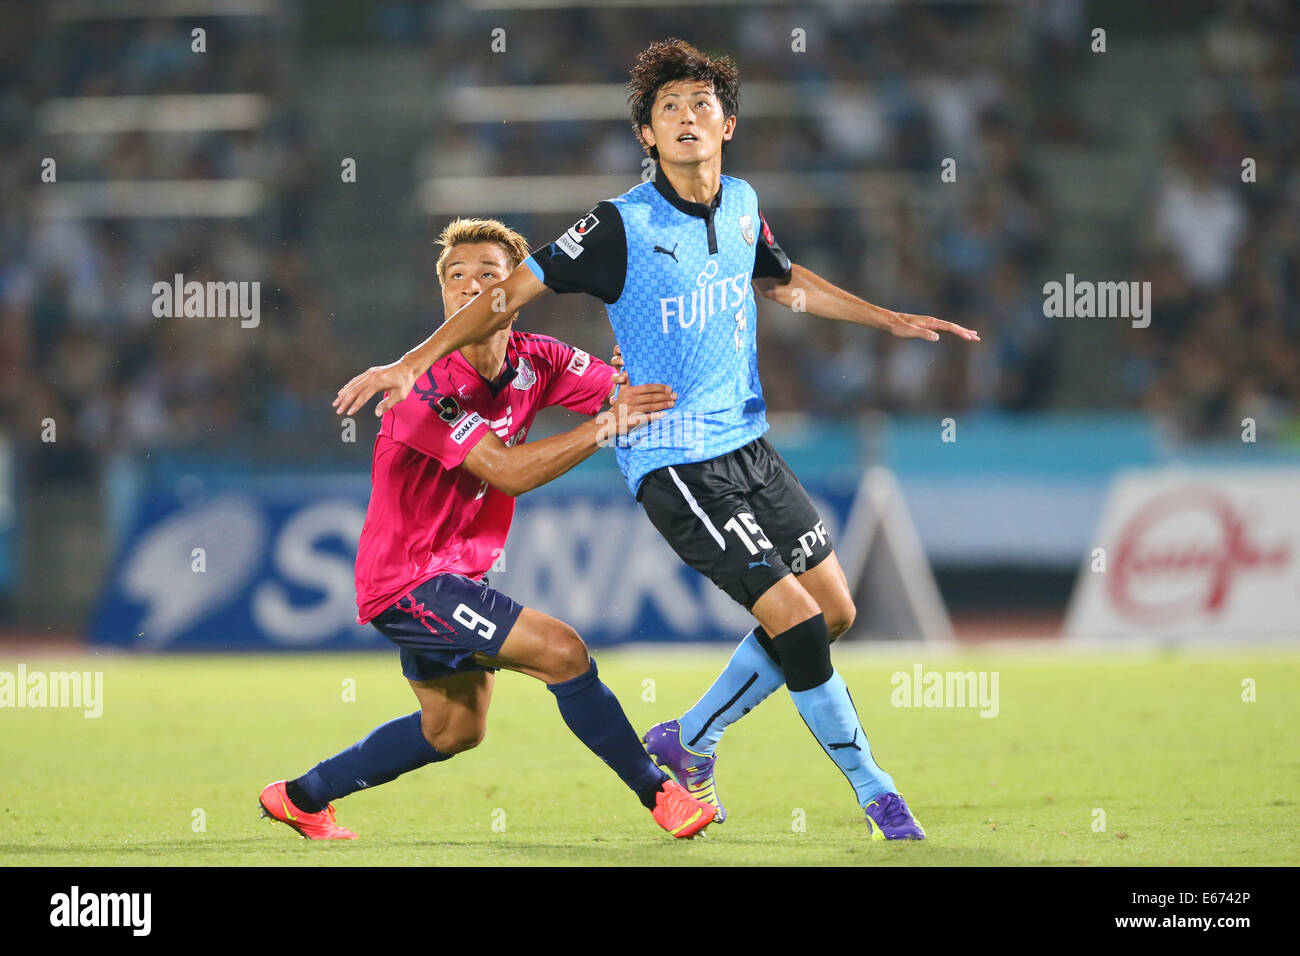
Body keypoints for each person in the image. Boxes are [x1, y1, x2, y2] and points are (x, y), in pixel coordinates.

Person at [332, 40, 980, 840]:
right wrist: (410, 361)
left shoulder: (742, 204)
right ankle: (878, 792)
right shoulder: (619, 225)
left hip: (748, 443)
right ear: (646, 137)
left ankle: (692, 734)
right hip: (675, 459)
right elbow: (507, 296)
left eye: (699, 104)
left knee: (836, 609)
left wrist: (889, 318)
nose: (684, 117)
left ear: (728, 124)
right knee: (798, 622)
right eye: (666, 108)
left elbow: (782, 282)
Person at [260, 217, 715, 840]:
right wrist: (608, 423)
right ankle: (661, 794)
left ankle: (300, 796)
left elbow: (630, 391)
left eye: (488, 275)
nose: (469, 286)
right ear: (441, 293)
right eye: (455, 276)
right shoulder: (422, 385)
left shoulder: (538, 360)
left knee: (454, 730)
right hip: (408, 581)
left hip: (451, 575)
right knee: (563, 651)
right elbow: (506, 472)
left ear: (519, 289)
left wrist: (638, 368)